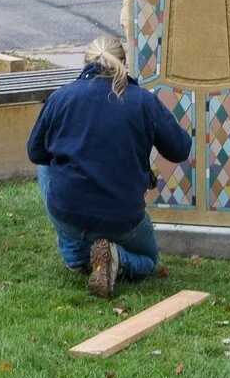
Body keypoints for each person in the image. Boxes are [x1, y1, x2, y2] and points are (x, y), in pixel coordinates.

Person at [27, 36, 192, 299]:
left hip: (68, 210)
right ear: (123, 63)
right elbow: (180, 149)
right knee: (148, 260)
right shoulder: (143, 101)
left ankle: (76, 255)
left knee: (46, 166)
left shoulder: (61, 97)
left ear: (85, 63)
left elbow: (35, 152)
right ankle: (117, 257)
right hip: (122, 217)